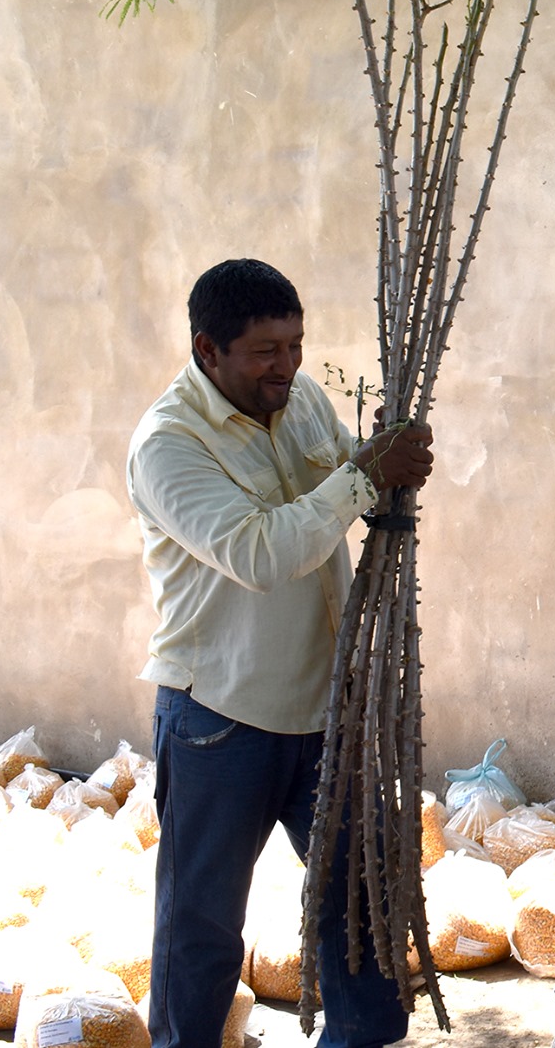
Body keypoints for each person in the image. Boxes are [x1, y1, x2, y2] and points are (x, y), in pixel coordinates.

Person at [127, 258, 436, 1048]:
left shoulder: (301, 401)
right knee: (201, 922)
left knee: (358, 897)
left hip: (327, 705)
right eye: (266, 351)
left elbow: (341, 476)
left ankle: (363, 1038)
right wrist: (366, 474)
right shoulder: (167, 444)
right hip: (219, 717)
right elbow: (261, 553)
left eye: (296, 344)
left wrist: (380, 460)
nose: (287, 366)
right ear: (208, 350)